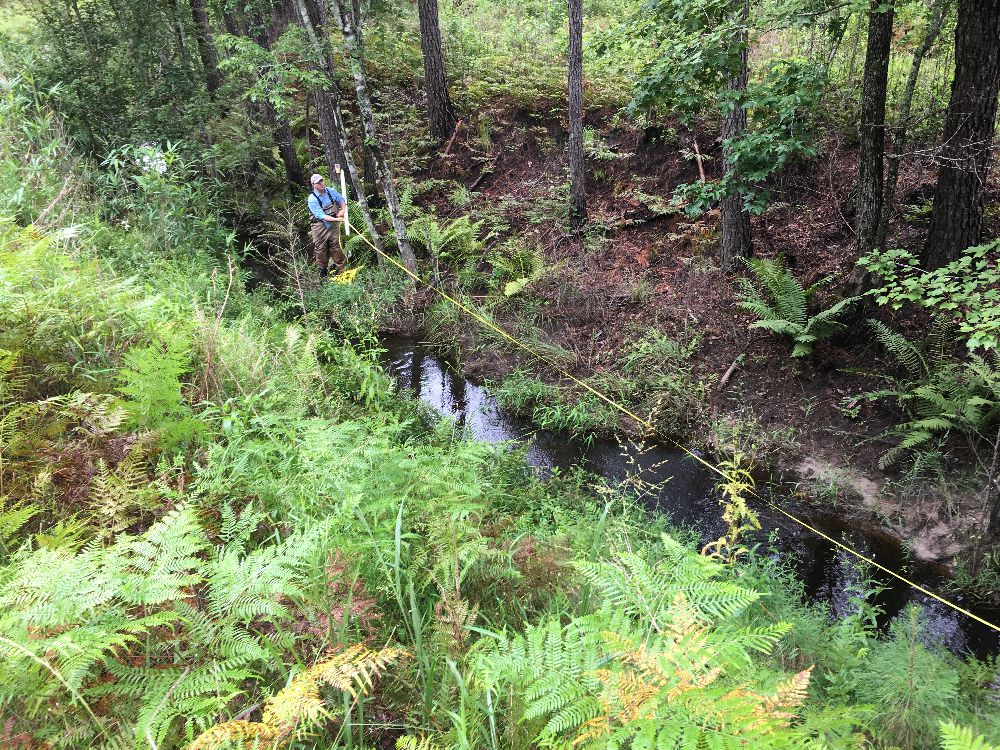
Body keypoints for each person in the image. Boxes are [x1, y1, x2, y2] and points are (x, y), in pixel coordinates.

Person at [307, 173, 346, 279]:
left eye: (321, 181)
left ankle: (341, 270)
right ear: (313, 185)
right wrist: (337, 219)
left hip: (333, 225)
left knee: (336, 246)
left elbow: (341, 200)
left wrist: (342, 211)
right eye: (318, 183)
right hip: (319, 227)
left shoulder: (331, 191)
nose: (321, 184)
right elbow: (321, 216)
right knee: (321, 249)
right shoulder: (312, 199)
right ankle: (323, 272)